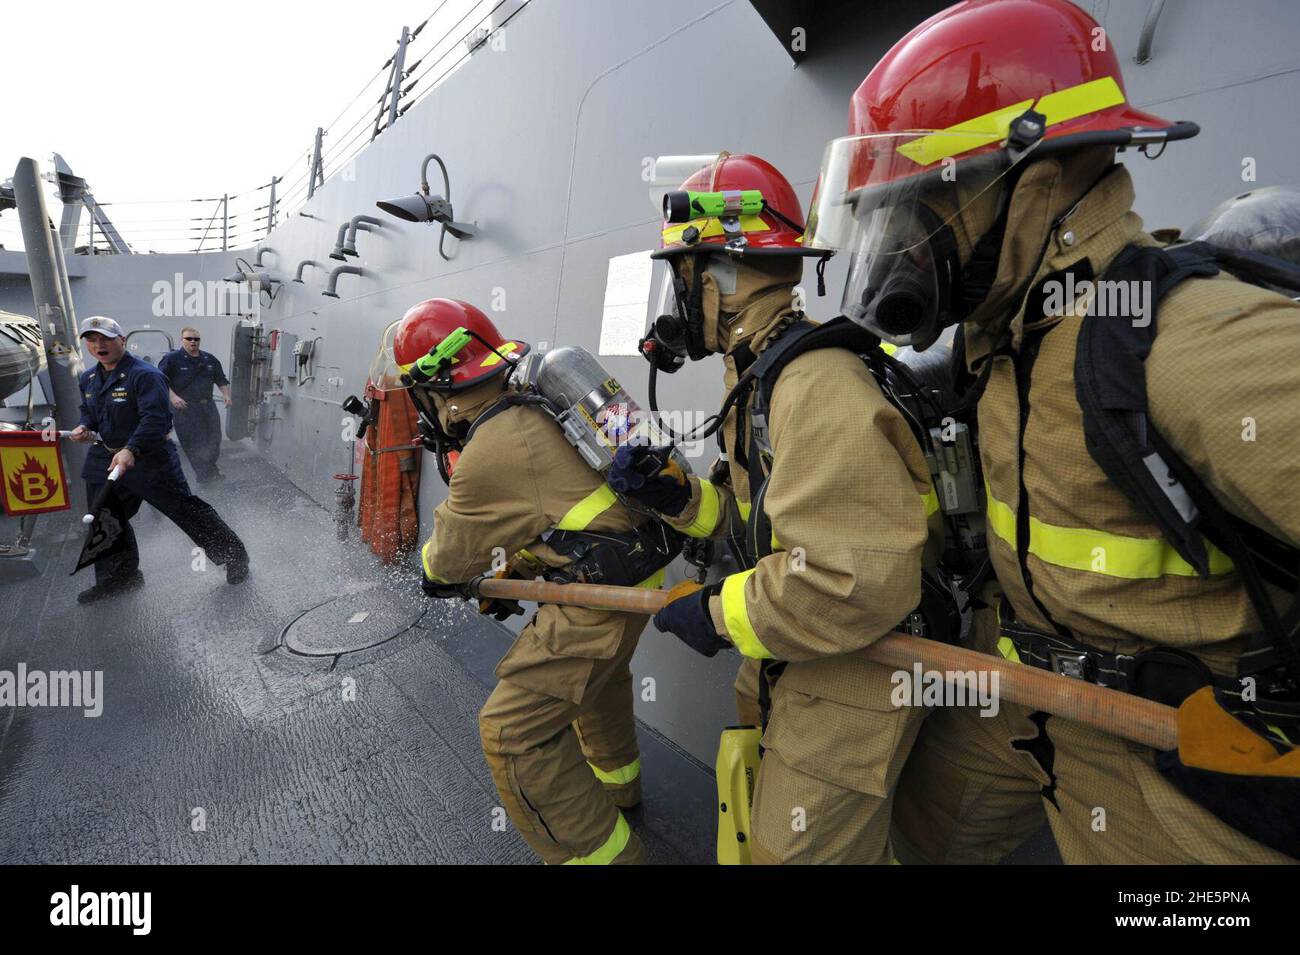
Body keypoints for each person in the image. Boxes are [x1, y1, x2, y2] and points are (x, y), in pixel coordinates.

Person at [810, 0, 1299, 863]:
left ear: (1034, 184)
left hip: (1185, 759)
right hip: (1030, 698)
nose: (895, 251)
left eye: (919, 205)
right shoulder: (1003, 336)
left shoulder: (1192, 343)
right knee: (922, 835)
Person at [612, 154, 949, 864]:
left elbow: (845, 579)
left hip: (851, 669)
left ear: (721, 278)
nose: (674, 299)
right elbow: (754, 522)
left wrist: (711, 613)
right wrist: (676, 497)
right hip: (793, 654)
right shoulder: (761, 377)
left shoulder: (812, 384)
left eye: (682, 274)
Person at [399, 298, 680, 865]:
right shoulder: (533, 402)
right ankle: (619, 786)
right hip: (637, 572)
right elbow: (564, 509)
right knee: (598, 684)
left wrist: (429, 565)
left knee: (511, 734)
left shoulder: (489, 450)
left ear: (435, 388)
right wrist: (525, 564)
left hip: (598, 598)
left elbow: (445, 564)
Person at [69, 315, 249, 603]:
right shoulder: (88, 378)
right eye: (92, 339)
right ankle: (120, 577)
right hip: (106, 456)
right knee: (105, 517)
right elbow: (89, 412)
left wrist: (132, 449)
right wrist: (85, 427)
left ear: (122, 340)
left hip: (149, 458)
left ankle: (234, 556)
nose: (98, 345)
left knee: (185, 510)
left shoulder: (145, 375)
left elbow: (156, 418)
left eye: (105, 338)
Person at [156, 327, 231, 483]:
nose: (193, 342)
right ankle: (206, 477)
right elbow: (160, 380)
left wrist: (226, 395)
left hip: (207, 406)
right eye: (189, 339)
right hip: (185, 408)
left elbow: (221, 379)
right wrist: (173, 397)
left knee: (214, 439)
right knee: (193, 443)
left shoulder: (209, 359)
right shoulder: (172, 359)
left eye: (196, 339)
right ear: (182, 340)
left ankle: (209, 469)